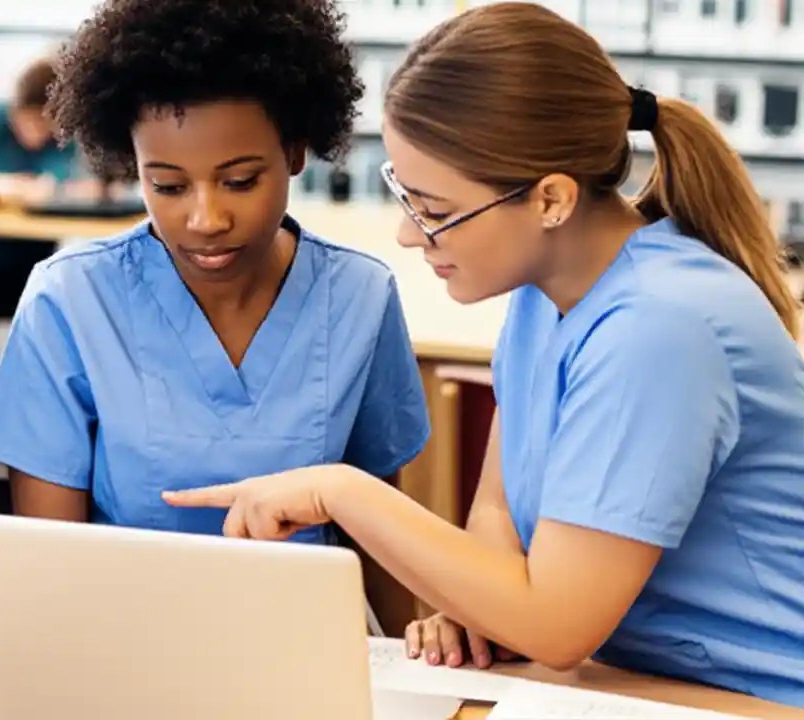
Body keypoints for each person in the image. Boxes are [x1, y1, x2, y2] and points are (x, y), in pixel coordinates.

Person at [165, 2, 804, 706]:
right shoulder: (547, 295)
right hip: (636, 683)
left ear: (552, 200)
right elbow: (501, 514)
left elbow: (557, 625)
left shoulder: (658, 329)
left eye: (434, 211)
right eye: (405, 198)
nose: (411, 237)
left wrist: (337, 490)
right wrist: (480, 614)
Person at [0, 0, 429, 543]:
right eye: (167, 186)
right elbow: (47, 562)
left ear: (295, 151)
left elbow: (381, 541)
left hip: (304, 626)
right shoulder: (70, 299)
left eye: (239, 181)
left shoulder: (360, 298)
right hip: (118, 624)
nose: (205, 220)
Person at [0, 57, 82, 209]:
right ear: (14, 111)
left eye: (42, 124)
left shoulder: (63, 139)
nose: (33, 132)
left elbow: (57, 184)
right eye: (27, 121)